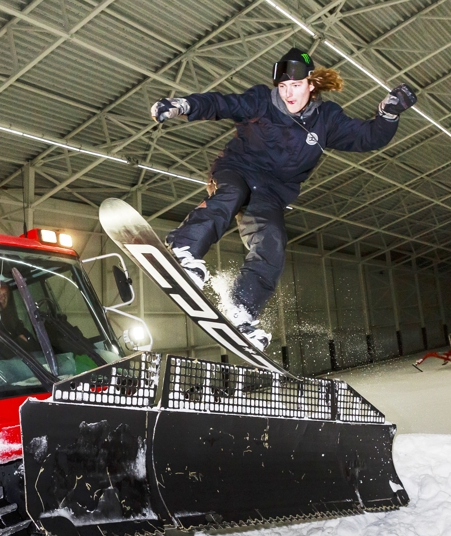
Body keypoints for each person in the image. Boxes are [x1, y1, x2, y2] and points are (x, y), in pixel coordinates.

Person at [150, 48, 416, 350]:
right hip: (237, 169)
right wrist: (183, 105)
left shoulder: (327, 120)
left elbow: (368, 137)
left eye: (296, 86)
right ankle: (185, 246)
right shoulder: (261, 101)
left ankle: (242, 309)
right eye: (284, 87)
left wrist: (388, 114)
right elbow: (221, 103)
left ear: (311, 85)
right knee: (232, 195)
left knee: (272, 240)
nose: (289, 94)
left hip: (273, 192)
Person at [0, 277, 35, 349]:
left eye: (5, 295)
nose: (3, 297)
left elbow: (32, 344)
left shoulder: (13, 322)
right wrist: (18, 342)